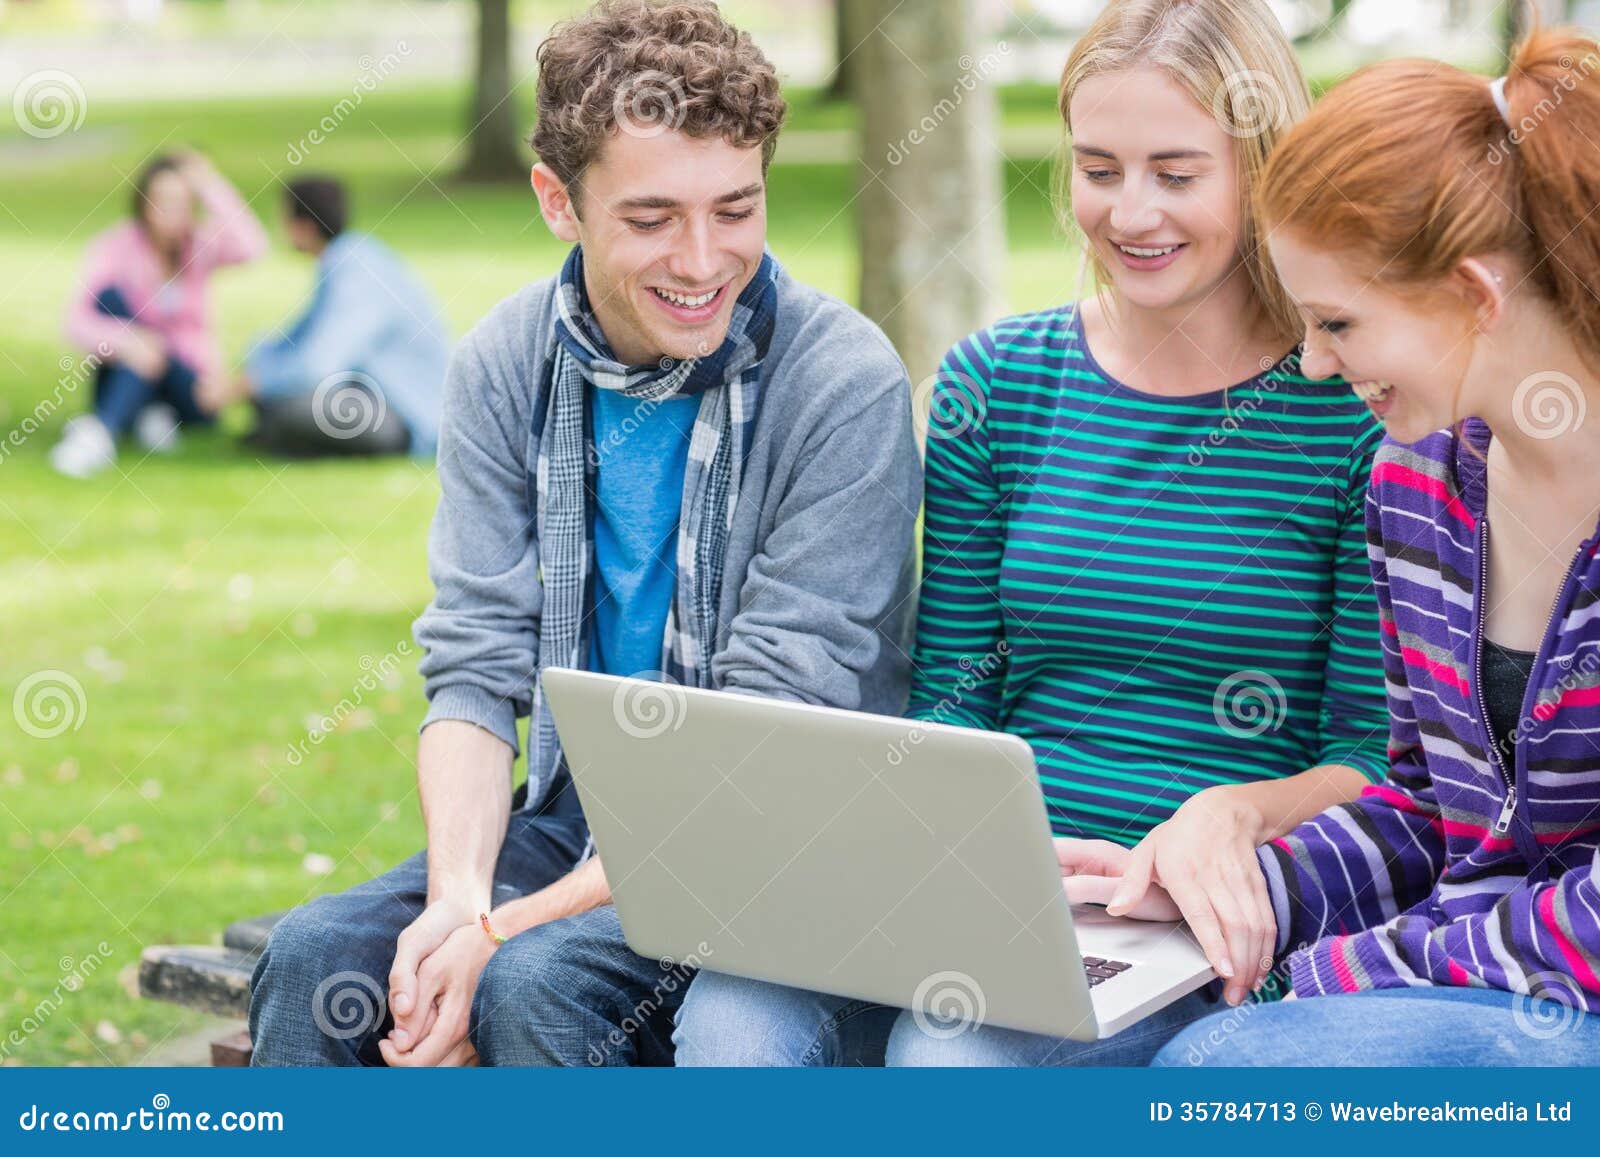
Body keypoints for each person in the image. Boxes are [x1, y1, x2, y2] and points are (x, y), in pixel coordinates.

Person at [674, 0, 1390, 1067]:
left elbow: (1371, 760)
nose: (1129, 210)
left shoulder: (1354, 407)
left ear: (1261, 170)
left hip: (1183, 922)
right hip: (973, 882)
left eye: (1176, 173)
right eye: (1098, 168)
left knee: (947, 1058)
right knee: (737, 1024)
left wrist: (1230, 815)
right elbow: (952, 701)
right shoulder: (998, 382)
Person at [247, 0, 921, 1067]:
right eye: (651, 219)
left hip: (776, 840)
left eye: (735, 209)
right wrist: (461, 900)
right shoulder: (508, 360)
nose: (703, 261)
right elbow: (473, 664)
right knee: (315, 957)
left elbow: (754, 743)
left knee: (534, 981)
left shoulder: (839, 383)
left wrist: (501, 931)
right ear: (558, 200)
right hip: (579, 815)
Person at [1149, 26, 1600, 1067]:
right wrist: (1231, 892)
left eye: (1339, 324)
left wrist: (1335, 970)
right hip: (1453, 969)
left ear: (1474, 297)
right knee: (1012, 1046)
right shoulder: (1415, 486)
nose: (1310, 365)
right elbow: (1424, 813)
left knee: (1223, 1068)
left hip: (1552, 996)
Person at [52, 150, 267, 476]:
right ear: (142, 202)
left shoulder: (201, 245)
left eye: (181, 201)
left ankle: (121, 422)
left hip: (189, 380)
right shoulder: (116, 247)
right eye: (161, 200)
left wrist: (209, 183)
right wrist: (129, 340)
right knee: (111, 300)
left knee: (156, 350)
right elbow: (75, 322)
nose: (169, 211)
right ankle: (116, 427)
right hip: (132, 358)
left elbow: (252, 247)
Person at [215, 177, 449, 458]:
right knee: (274, 398)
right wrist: (255, 367)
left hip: (406, 412)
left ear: (304, 226)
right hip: (371, 394)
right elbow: (294, 339)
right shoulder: (344, 259)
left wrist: (255, 382)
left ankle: (281, 434)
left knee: (287, 407)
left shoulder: (356, 273)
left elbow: (317, 366)